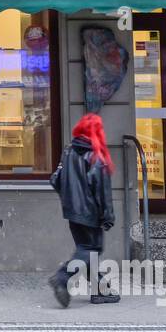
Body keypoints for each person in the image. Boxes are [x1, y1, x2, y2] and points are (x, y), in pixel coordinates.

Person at [47, 112, 118, 308]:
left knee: (87, 250)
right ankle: (62, 277)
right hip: (90, 213)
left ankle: (100, 291)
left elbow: (55, 179)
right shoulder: (97, 157)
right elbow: (102, 192)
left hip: (72, 212)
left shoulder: (68, 151)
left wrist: (69, 200)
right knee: (90, 249)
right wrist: (108, 216)